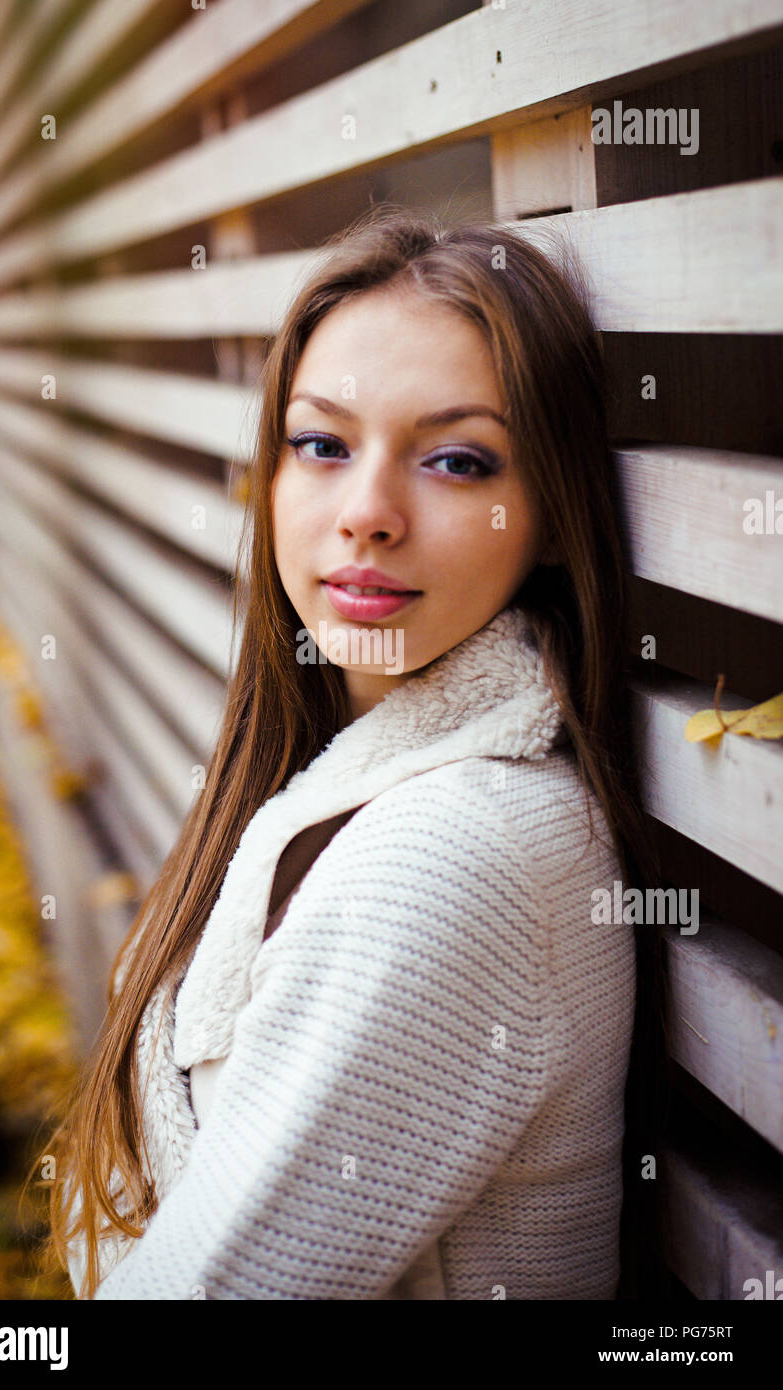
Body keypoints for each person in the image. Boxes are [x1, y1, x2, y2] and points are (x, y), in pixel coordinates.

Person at [41, 205, 668, 1300]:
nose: (366, 513)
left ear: (552, 517)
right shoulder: (350, 774)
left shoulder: (457, 856)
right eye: (322, 443)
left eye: (457, 460)